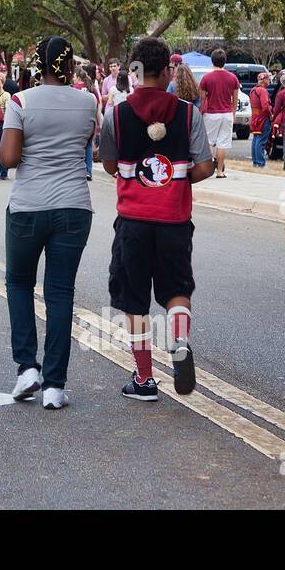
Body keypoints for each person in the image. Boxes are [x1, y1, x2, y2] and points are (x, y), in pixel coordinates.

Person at [99, 38, 214, 401]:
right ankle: (179, 341)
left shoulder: (115, 114)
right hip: (174, 220)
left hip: (133, 221)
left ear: (134, 72)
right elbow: (206, 166)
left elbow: (109, 165)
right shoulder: (188, 112)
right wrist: (178, 180)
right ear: (168, 71)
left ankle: (145, 379)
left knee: (134, 301)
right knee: (176, 290)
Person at [0, 36, 99, 410]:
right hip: (74, 206)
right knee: (60, 292)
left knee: (19, 283)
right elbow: (89, 142)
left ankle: (27, 369)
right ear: (71, 65)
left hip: (28, 206)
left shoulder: (21, 101)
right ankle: (55, 386)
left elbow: (8, 158)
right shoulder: (89, 101)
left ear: (38, 66)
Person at [199, 48, 240, 178]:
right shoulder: (232, 77)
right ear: (225, 61)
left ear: (212, 61)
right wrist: (233, 113)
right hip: (226, 113)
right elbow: (235, 98)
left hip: (211, 113)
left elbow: (202, 98)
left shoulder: (206, 78)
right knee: (223, 143)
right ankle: (220, 171)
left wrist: (200, 112)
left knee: (210, 142)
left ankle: (209, 168)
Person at [248, 71, 272, 168]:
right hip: (263, 118)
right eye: (268, 79)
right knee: (261, 141)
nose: (269, 81)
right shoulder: (262, 91)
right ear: (264, 80)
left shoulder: (253, 90)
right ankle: (260, 163)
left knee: (256, 139)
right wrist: (271, 115)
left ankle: (255, 162)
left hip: (255, 117)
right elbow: (265, 106)